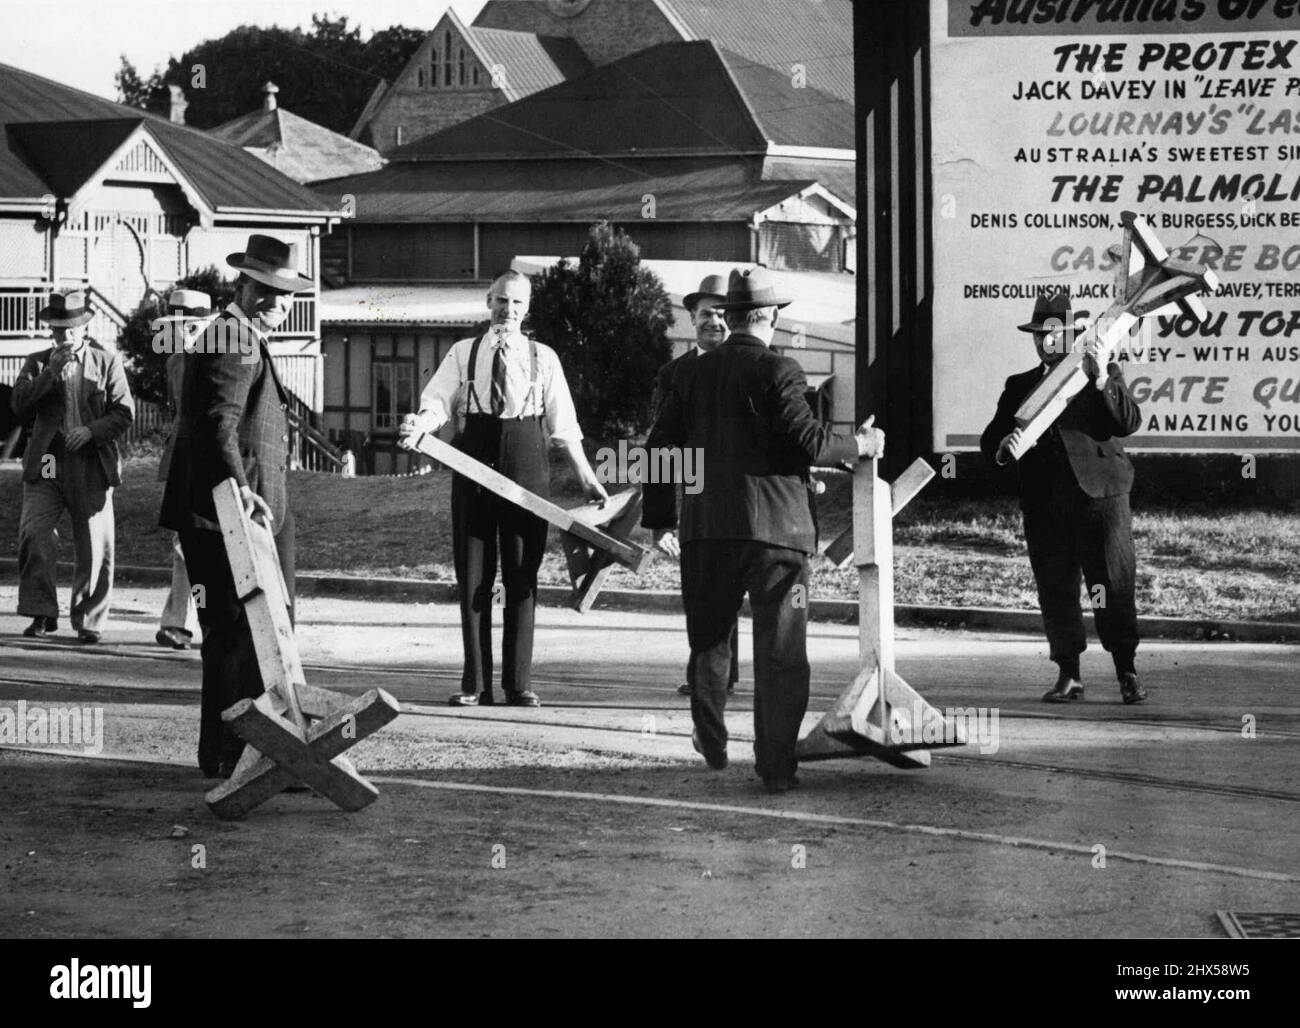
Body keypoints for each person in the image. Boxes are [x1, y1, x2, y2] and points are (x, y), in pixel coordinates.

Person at [644, 267, 884, 793]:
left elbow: (658, 453)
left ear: (728, 318)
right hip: (778, 536)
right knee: (780, 654)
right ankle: (775, 766)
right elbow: (809, 443)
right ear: (771, 317)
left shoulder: (689, 375)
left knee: (709, 640)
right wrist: (860, 447)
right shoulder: (781, 370)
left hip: (705, 533)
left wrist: (660, 518)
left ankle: (710, 733)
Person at [399, 270, 607, 708]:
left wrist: (586, 477)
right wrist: (419, 423)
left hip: (527, 458)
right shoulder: (462, 352)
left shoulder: (543, 357)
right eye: (500, 301)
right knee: (474, 573)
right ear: (487, 301)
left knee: (521, 573)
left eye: (516, 303)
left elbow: (564, 425)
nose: (506, 311)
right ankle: (474, 683)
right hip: (473, 453)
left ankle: (518, 683)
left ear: (527, 308)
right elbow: (437, 400)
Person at [160, 235, 304, 778]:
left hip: (244, 507)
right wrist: (242, 493)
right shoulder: (233, 339)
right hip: (233, 513)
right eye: (264, 290)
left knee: (242, 633)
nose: (275, 303)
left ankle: (234, 751)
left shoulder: (236, 332)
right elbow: (219, 426)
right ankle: (239, 754)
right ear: (242, 284)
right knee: (242, 633)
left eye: (285, 295)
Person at [980, 292, 1146, 705]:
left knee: (1112, 584)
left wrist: (1104, 380)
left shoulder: (1098, 371)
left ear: (1071, 336)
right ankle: (1068, 675)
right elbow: (990, 442)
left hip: (1101, 499)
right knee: (1055, 588)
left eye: (1052, 334)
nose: (1043, 342)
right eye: (1038, 334)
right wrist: (1005, 444)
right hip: (1045, 505)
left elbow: (1128, 422)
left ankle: (1127, 671)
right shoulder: (1020, 386)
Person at [12, 288, 134, 643]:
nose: (64, 334)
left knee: (95, 543)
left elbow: (125, 412)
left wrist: (91, 431)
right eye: (57, 328)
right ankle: (40, 613)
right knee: (34, 533)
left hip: (90, 461)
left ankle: (89, 620)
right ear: (49, 330)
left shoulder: (106, 362)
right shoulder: (37, 362)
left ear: (84, 327)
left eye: (71, 328)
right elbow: (18, 405)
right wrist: (50, 373)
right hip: (48, 461)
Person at [652, 274, 740, 699]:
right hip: (699, 497)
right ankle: (707, 675)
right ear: (691, 318)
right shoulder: (675, 374)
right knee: (702, 588)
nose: (715, 322)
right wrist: (662, 520)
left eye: (724, 314)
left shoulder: (759, 365)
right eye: (707, 314)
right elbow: (662, 447)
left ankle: (731, 674)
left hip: (752, 496)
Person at [155, 289, 213, 650]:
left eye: (191, 326)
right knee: (184, 544)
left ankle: (191, 623)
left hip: (214, 461)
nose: (184, 333)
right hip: (184, 461)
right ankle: (179, 623)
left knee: (200, 547)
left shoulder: (220, 357)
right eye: (178, 326)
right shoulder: (176, 360)